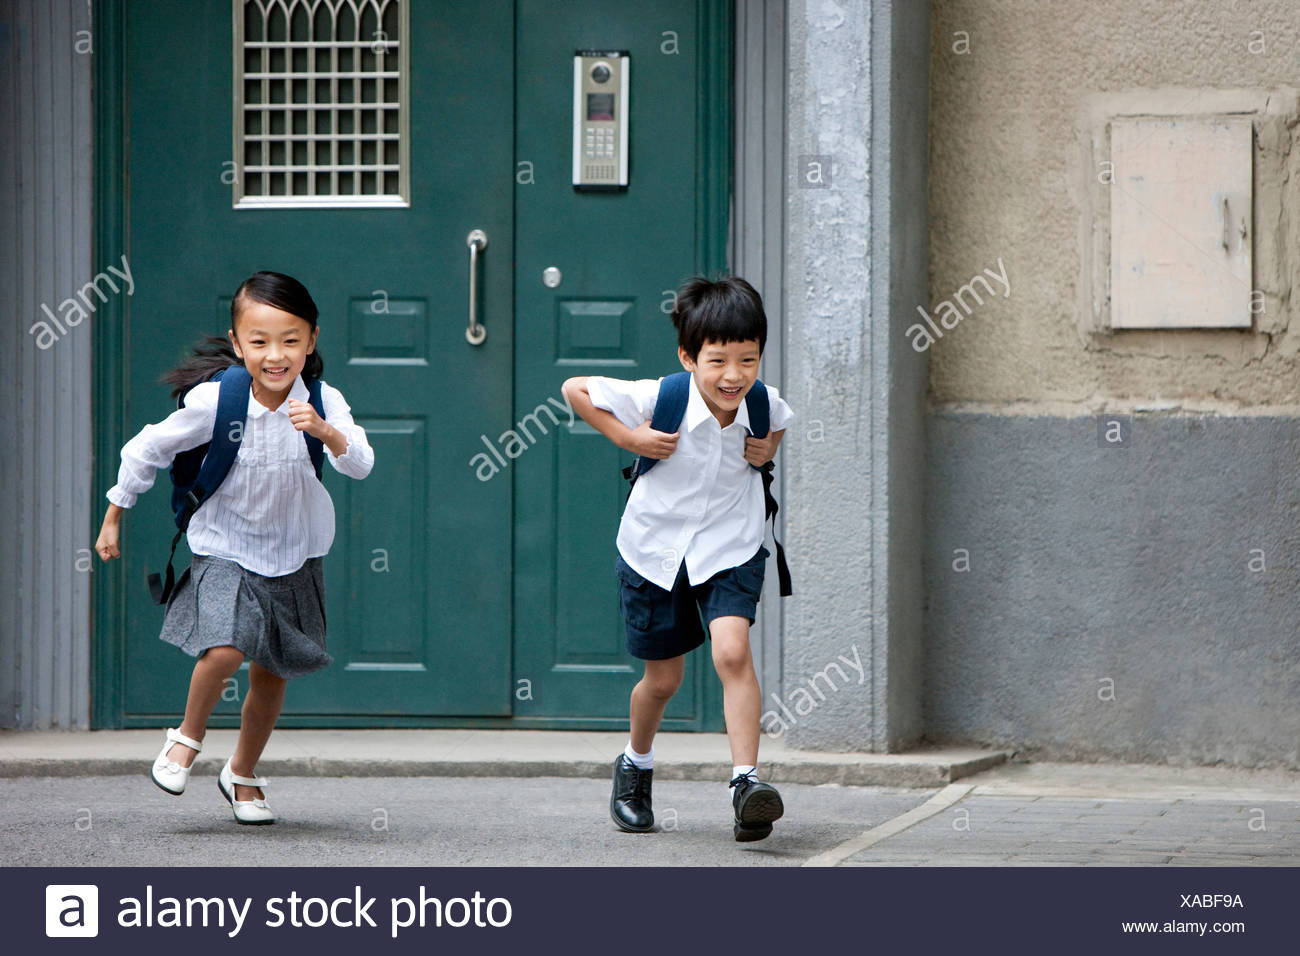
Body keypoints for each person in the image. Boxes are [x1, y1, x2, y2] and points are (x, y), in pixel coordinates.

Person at [95, 271, 374, 825]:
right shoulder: (215, 400)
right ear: (238, 340)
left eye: (291, 340)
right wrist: (113, 517)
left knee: (273, 671)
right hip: (224, 544)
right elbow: (145, 448)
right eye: (260, 341)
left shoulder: (323, 399)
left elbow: (360, 463)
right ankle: (185, 740)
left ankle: (242, 774)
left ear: (311, 340)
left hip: (294, 551)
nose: (276, 355)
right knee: (224, 647)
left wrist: (324, 431)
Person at [561, 275, 794, 842]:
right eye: (717, 361)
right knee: (662, 681)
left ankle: (746, 786)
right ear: (689, 357)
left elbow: (781, 422)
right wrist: (627, 438)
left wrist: (768, 447)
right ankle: (635, 766)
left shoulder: (761, 403)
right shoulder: (658, 396)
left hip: (730, 547)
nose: (734, 375)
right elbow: (574, 389)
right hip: (653, 551)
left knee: (733, 652)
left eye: (748, 359)